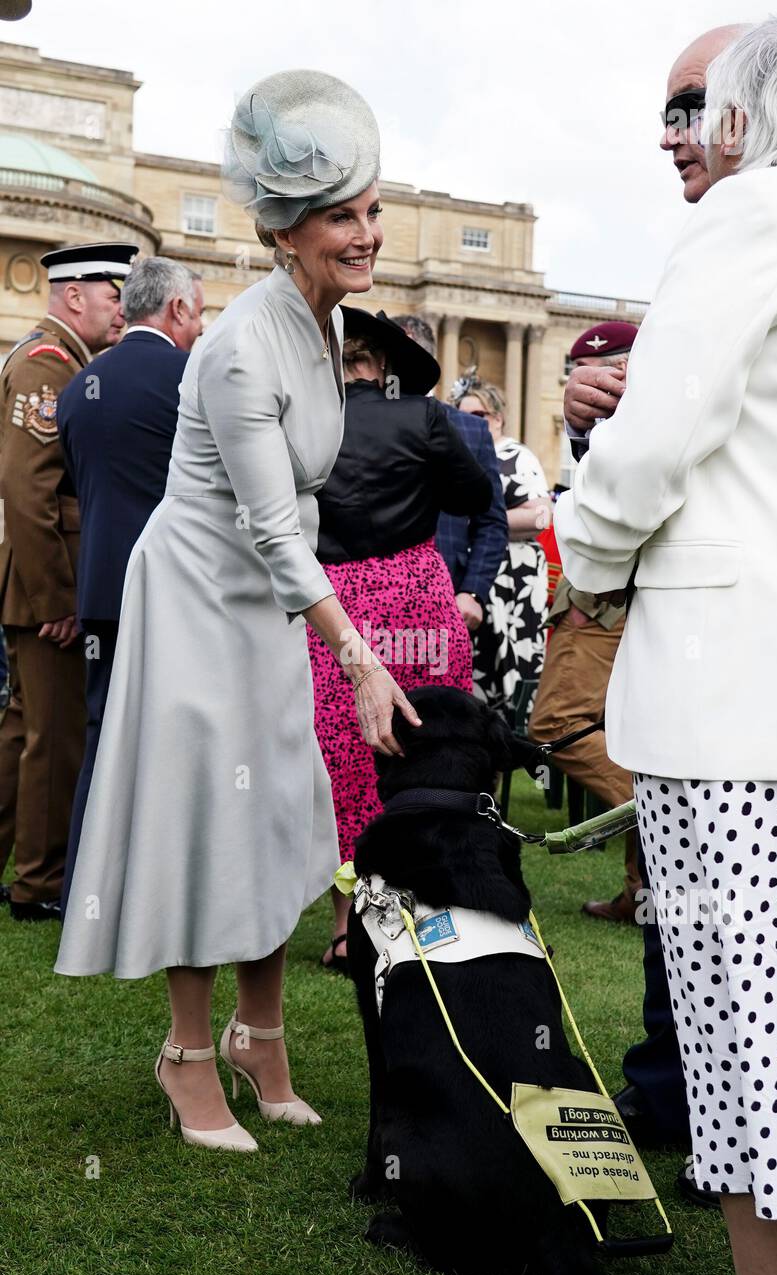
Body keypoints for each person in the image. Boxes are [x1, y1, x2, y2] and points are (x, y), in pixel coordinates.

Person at [55, 70, 420, 1154]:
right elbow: (269, 522)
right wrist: (357, 656)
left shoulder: (330, 320)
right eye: (342, 217)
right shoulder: (235, 347)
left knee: (276, 810)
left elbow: (295, 514)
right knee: (209, 814)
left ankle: (260, 1036)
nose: (366, 233)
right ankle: (183, 1053)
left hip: (267, 598)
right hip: (202, 595)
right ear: (286, 232)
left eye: (368, 209)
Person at [555, 19, 777, 1275]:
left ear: (748, 113)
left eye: (692, 104)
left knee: (752, 1049)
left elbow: (653, 457)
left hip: (735, 709)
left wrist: (580, 554)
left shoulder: (750, 216)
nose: (673, 133)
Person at [308, 307, 491, 970]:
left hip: (333, 606)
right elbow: (474, 495)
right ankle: (428, 913)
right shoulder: (423, 416)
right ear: (382, 363)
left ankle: (344, 928)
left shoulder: (306, 420)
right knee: (426, 745)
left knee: (343, 757)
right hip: (413, 591)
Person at [58, 257, 205, 913]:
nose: (200, 329)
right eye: (197, 314)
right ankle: (164, 890)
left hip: (100, 593)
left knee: (101, 735)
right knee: (177, 742)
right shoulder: (195, 381)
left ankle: (88, 888)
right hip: (177, 592)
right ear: (175, 310)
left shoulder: (77, 387)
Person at [0, 241, 136, 921]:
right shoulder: (46, 367)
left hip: (40, 584)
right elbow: (29, 496)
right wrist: (57, 600)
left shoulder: (66, 364)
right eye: (112, 296)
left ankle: (23, 866)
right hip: (44, 588)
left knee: (25, 732)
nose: (119, 311)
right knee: (54, 741)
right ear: (73, 295)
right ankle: (41, 884)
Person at [529, 322, 642, 924]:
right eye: (595, 371)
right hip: (604, 593)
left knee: (558, 725)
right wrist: (579, 430)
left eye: (622, 365)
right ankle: (642, 891)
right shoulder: (600, 417)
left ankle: (662, 818)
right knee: (628, 737)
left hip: (610, 597)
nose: (607, 380)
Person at [390, 314, 508, 635]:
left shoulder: (471, 429)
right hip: (370, 602)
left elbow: (492, 521)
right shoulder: (354, 420)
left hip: (447, 600)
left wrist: (472, 592)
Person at [452, 376, 551, 712]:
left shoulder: (515, 455)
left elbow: (541, 517)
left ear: (496, 418)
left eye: (477, 415)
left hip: (515, 578)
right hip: (479, 577)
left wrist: (483, 525)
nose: (469, 421)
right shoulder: (459, 455)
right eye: (461, 413)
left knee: (512, 666)